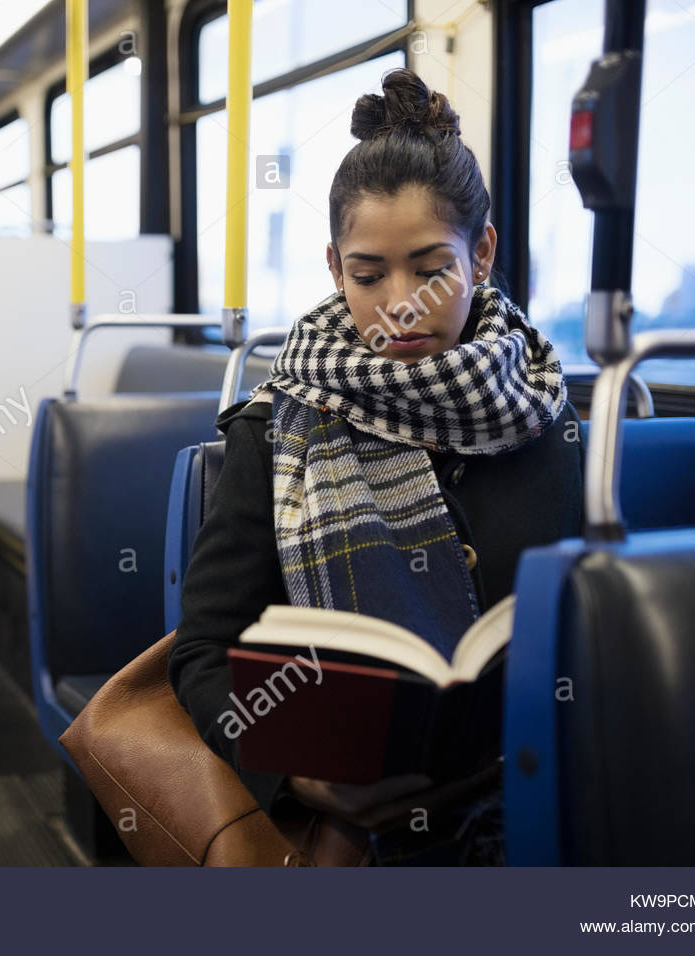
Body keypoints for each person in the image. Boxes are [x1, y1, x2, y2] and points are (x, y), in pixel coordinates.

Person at [167, 68, 584, 865]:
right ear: (334, 269)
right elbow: (203, 655)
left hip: (536, 790)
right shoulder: (277, 428)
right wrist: (291, 775)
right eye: (368, 275)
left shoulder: (547, 415)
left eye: (432, 271)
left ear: (483, 252)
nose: (400, 303)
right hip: (363, 828)